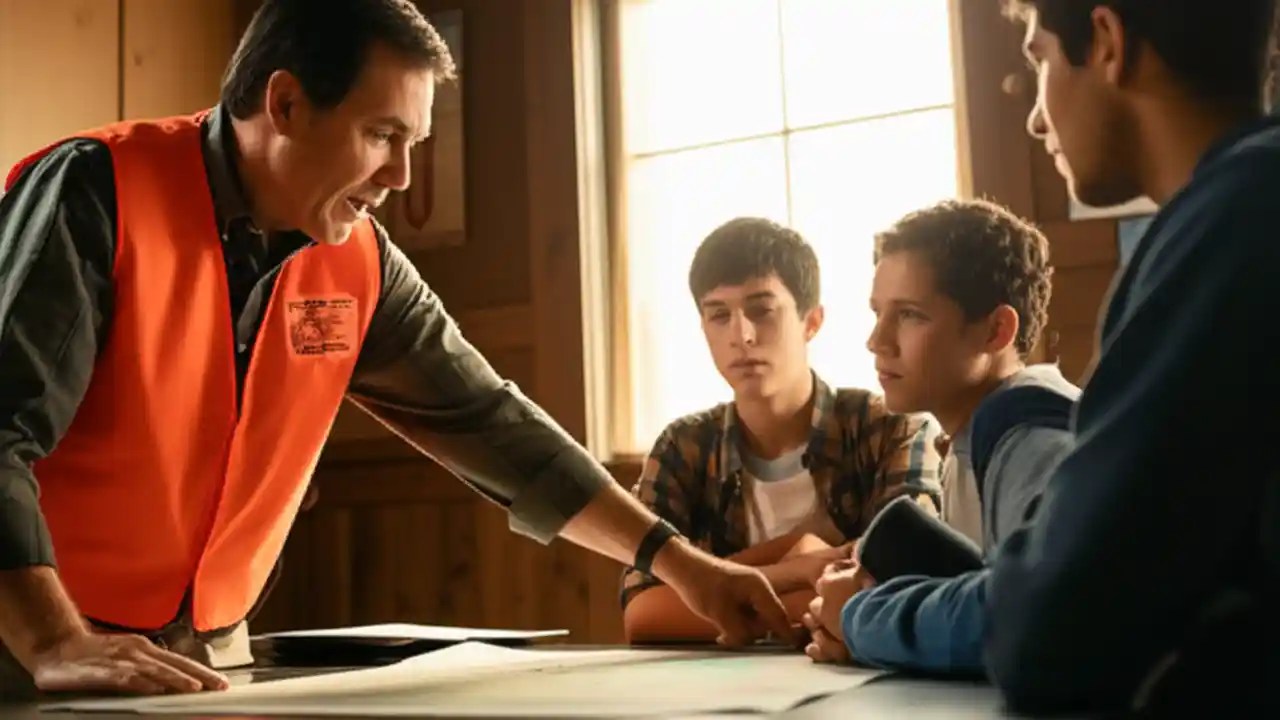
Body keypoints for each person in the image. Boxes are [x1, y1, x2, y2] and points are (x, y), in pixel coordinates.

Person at [0, 0, 796, 697]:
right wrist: (53, 641)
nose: (403, 175)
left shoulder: (362, 261)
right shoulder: (95, 193)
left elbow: (493, 426)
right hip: (30, 651)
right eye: (382, 135)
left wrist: (685, 567)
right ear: (285, 103)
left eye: (413, 141)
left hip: (203, 664)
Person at [982, 0, 1278, 714]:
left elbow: (1054, 630)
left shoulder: (1235, 220)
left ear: (1107, 42)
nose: (1036, 119)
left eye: (1040, 58)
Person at [621, 217, 942, 644]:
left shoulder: (889, 429)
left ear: (812, 321)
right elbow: (644, 613)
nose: (742, 336)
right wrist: (792, 564)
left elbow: (900, 588)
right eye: (719, 315)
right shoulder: (683, 447)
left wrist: (709, 590)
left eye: (762, 311)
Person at [800, 199, 1079, 673]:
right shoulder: (968, 443)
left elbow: (1039, 617)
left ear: (996, 330)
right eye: (877, 313)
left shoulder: (1032, 438)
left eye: (910, 315)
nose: (877, 341)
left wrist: (860, 617)